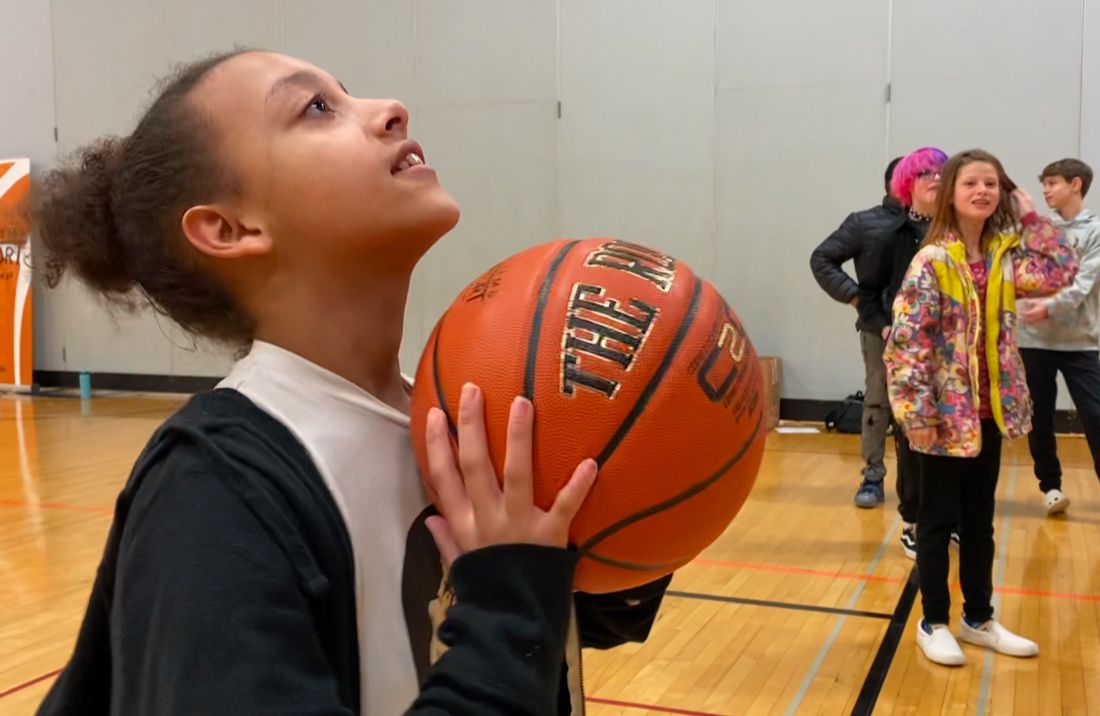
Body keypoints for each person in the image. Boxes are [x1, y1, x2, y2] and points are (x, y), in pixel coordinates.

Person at [32, 50, 669, 715]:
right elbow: (508, 627)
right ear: (230, 227)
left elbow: (554, 628)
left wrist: (625, 514)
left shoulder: (450, 420)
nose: (391, 109)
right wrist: (509, 601)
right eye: (316, 108)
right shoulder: (213, 490)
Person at [885, 149, 1077, 667]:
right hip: (940, 420)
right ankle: (934, 622)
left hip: (988, 413)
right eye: (971, 182)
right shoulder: (933, 260)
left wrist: (1032, 214)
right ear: (951, 193)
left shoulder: (1004, 256)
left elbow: (1061, 269)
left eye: (992, 183)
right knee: (933, 522)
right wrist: (917, 417)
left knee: (979, 522)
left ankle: (978, 618)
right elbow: (907, 346)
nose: (983, 191)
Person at [1017, 158, 1100, 525]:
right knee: (1038, 415)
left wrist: (1049, 306)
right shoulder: (1034, 232)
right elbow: (1028, 275)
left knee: (1095, 415)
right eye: (1043, 185)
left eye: (1052, 183)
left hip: (1079, 342)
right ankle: (1050, 487)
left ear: (1075, 184)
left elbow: (1083, 284)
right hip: (1033, 341)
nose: (1046, 191)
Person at [857, 146, 949, 556]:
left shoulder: (962, 235)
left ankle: (951, 519)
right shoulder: (892, 237)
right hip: (908, 357)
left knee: (953, 440)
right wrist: (884, 326)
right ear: (907, 186)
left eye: (941, 172)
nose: (934, 178)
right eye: (924, 173)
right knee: (913, 438)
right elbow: (869, 293)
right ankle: (913, 519)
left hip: (954, 358)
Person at [811, 157, 903, 507]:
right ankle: (873, 477)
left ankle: (921, 483)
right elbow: (822, 258)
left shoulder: (938, 224)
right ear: (890, 183)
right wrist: (854, 297)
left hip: (926, 333)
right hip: (877, 327)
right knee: (877, 399)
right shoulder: (864, 223)